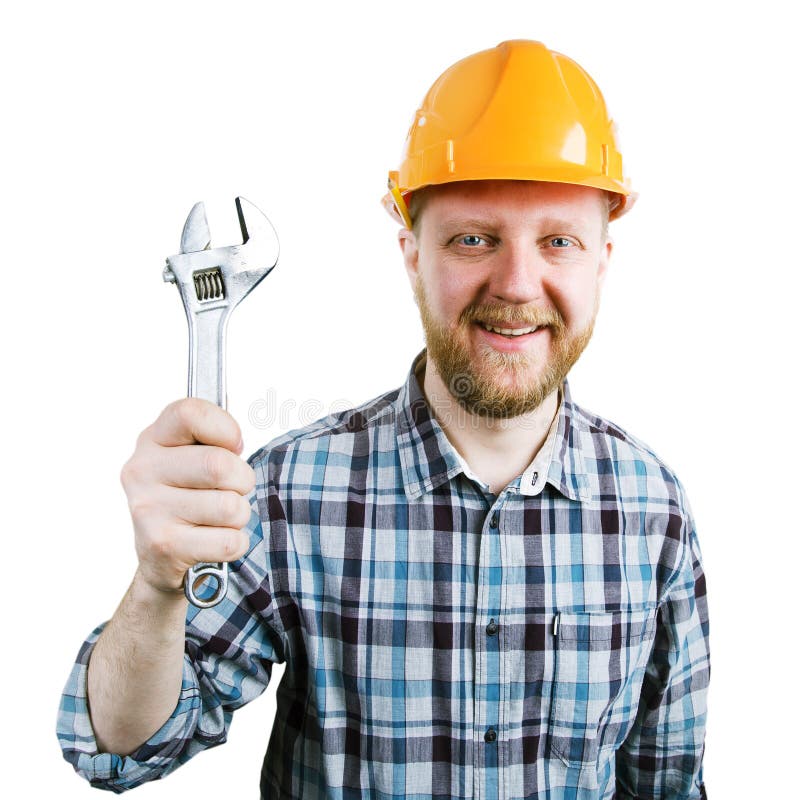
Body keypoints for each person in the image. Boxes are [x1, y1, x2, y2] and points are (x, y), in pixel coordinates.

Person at [57, 40, 710, 799]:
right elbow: (123, 750)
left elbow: (667, 787)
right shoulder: (286, 492)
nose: (517, 282)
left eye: (557, 241)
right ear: (411, 253)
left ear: (601, 259)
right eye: (475, 238)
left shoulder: (653, 511)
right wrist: (157, 586)